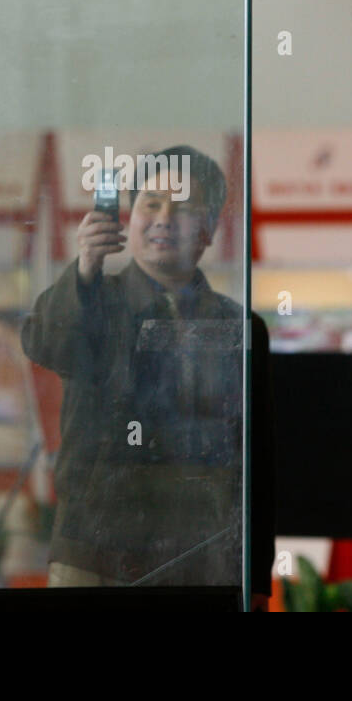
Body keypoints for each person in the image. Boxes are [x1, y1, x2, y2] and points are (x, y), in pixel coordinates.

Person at [21, 146, 257, 595]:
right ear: (129, 218)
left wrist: (256, 577)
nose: (164, 217)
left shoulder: (239, 328)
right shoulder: (93, 299)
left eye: (185, 207)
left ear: (209, 231)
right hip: (93, 558)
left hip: (203, 563)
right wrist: (86, 269)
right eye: (151, 203)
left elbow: (256, 462)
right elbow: (45, 344)